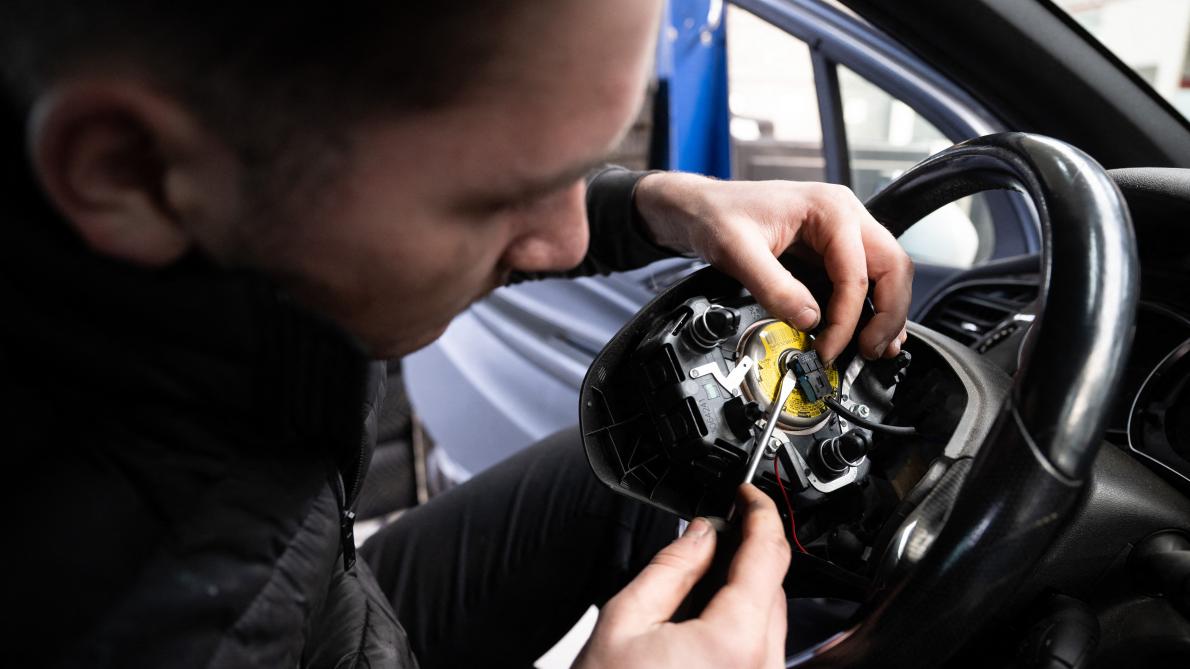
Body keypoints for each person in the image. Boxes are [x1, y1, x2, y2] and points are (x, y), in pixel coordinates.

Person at [0, 2, 912, 668]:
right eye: (499, 196)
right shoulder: (137, 618)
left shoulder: (186, 227)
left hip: (334, 606)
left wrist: (657, 204)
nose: (565, 239)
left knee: (639, 486)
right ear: (129, 169)